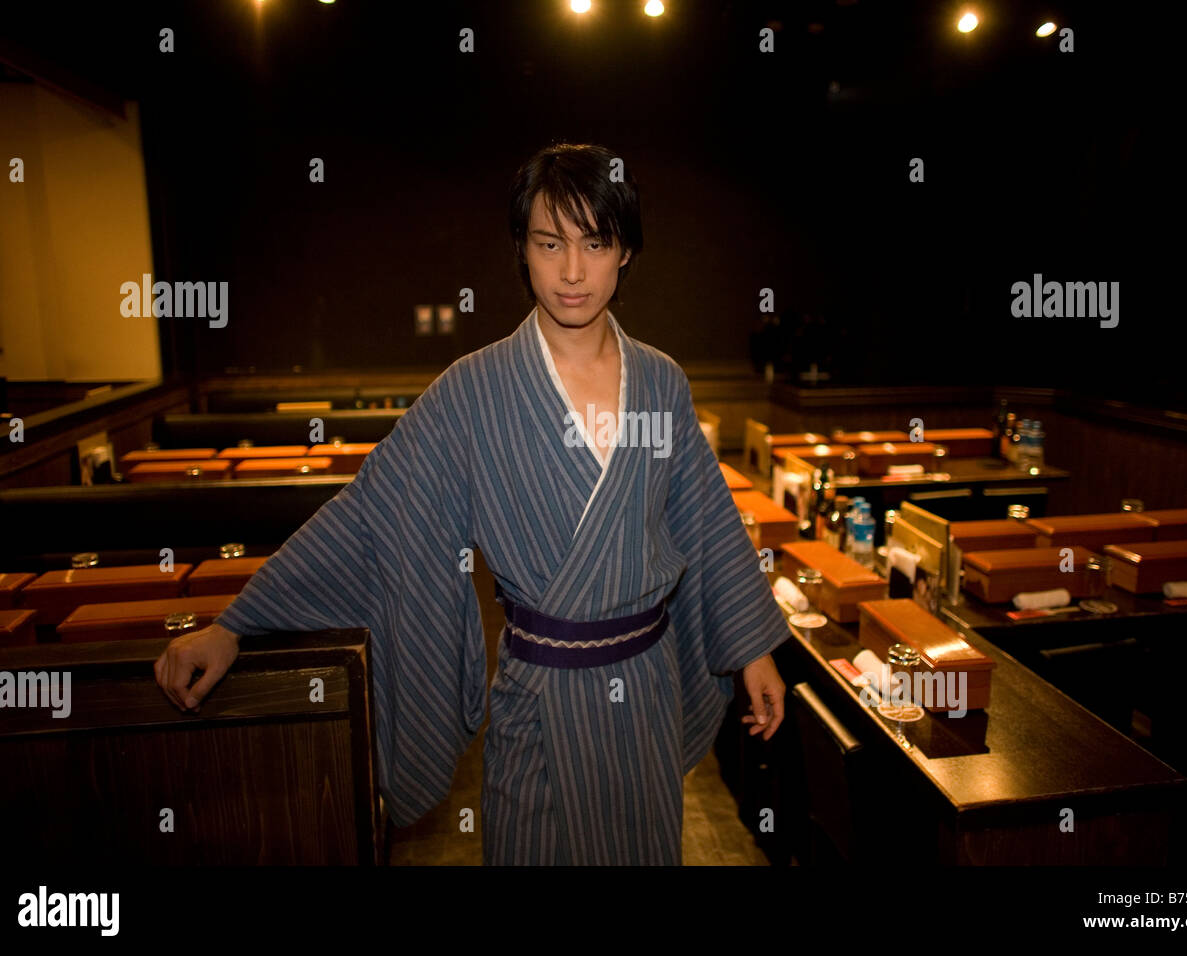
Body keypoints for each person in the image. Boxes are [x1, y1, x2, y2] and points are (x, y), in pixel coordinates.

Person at [154, 142, 790, 865]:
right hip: (536, 703)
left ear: (626, 252)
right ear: (522, 248)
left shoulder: (661, 383)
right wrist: (237, 625)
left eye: (595, 243)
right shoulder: (473, 389)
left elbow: (706, 524)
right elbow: (370, 518)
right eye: (550, 243)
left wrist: (751, 653)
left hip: (642, 693)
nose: (572, 271)